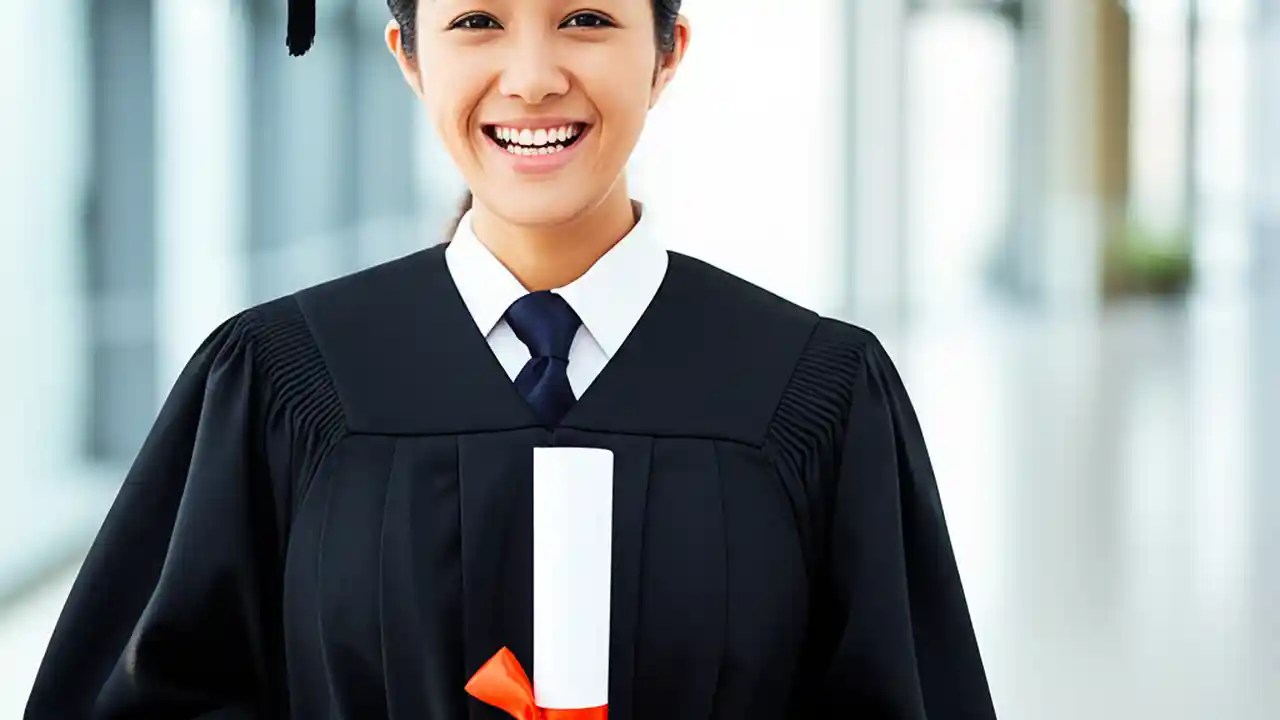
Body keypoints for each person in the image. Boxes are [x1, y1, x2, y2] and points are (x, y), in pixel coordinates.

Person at [25, 1, 997, 718]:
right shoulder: (282, 382)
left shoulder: (813, 396)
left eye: (583, 19)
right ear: (407, 57)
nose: (531, 77)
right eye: (478, 21)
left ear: (667, 55)